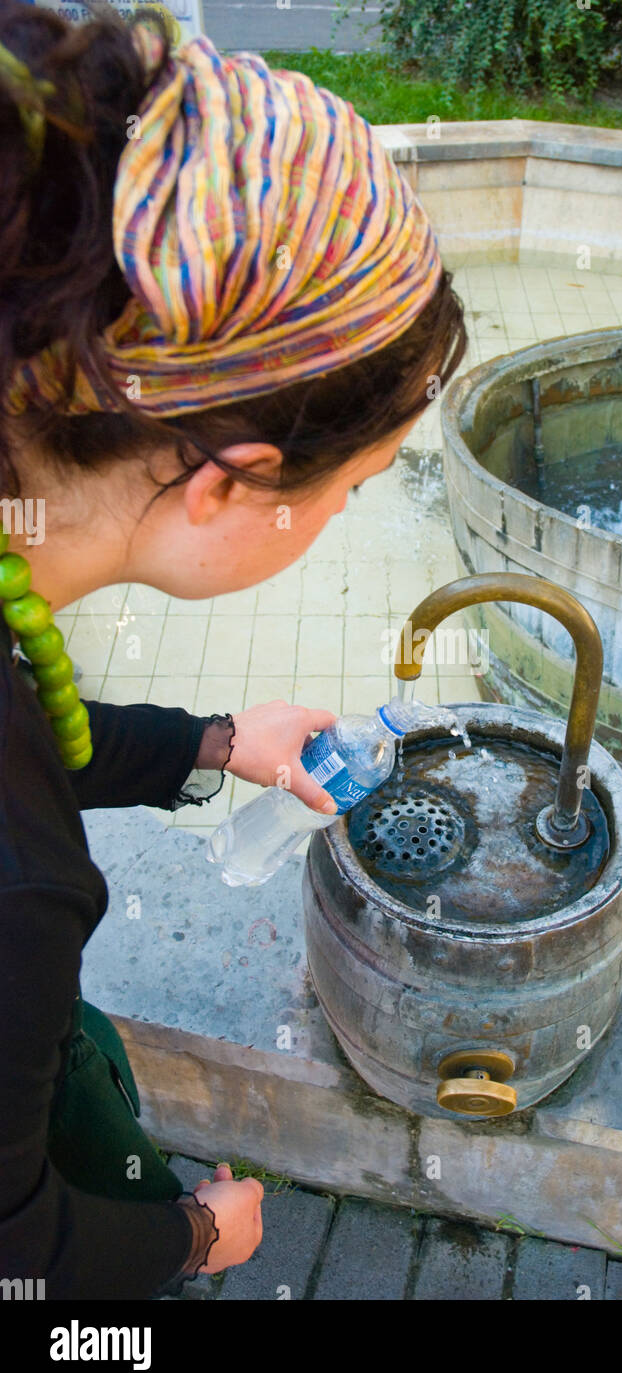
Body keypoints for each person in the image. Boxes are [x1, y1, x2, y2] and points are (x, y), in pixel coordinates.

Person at [0, 1, 467, 1298]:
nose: (346, 516)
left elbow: (35, 726)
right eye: (355, 489)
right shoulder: (21, 891)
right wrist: (200, 1237)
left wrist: (212, 744)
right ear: (225, 484)